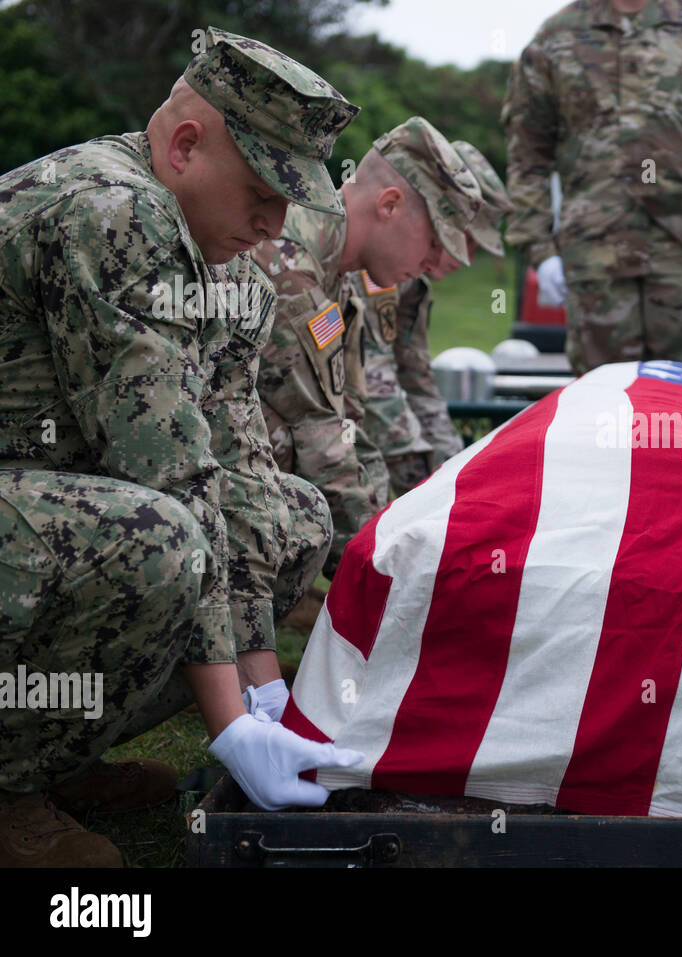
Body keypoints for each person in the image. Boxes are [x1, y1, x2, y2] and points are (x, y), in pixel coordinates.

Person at [0, 28, 364, 866]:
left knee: (288, 516)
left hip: (43, 502)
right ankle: (10, 780)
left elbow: (233, 466)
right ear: (184, 145)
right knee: (159, 543)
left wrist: (265, 689)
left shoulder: (226, 262)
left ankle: (56, 750)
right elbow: (164, 467)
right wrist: (229, 720)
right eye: (263, 192)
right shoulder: (110, 210)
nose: (275, 224)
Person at [501, 0, 682, 375]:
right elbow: (527, 154)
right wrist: (539, 248)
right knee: (602, 407)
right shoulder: (556, 36)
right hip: (595, 259)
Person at [254, 117, 482, 576]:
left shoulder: (342, 280)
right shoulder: (292, 263)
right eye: (435, 242)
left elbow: (350, 423)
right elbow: (318, 437)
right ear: (390, 205)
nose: (437, 265)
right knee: (288, 447)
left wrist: (399, 525)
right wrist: (389, 567)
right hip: (205, 488)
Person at [356, 139, 514, 497]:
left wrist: (456, 470)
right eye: (466, 239)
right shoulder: (378, 267)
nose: (468, 259)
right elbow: (377, 390)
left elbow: (418, 382)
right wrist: (436, 491)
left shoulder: (411, 285)